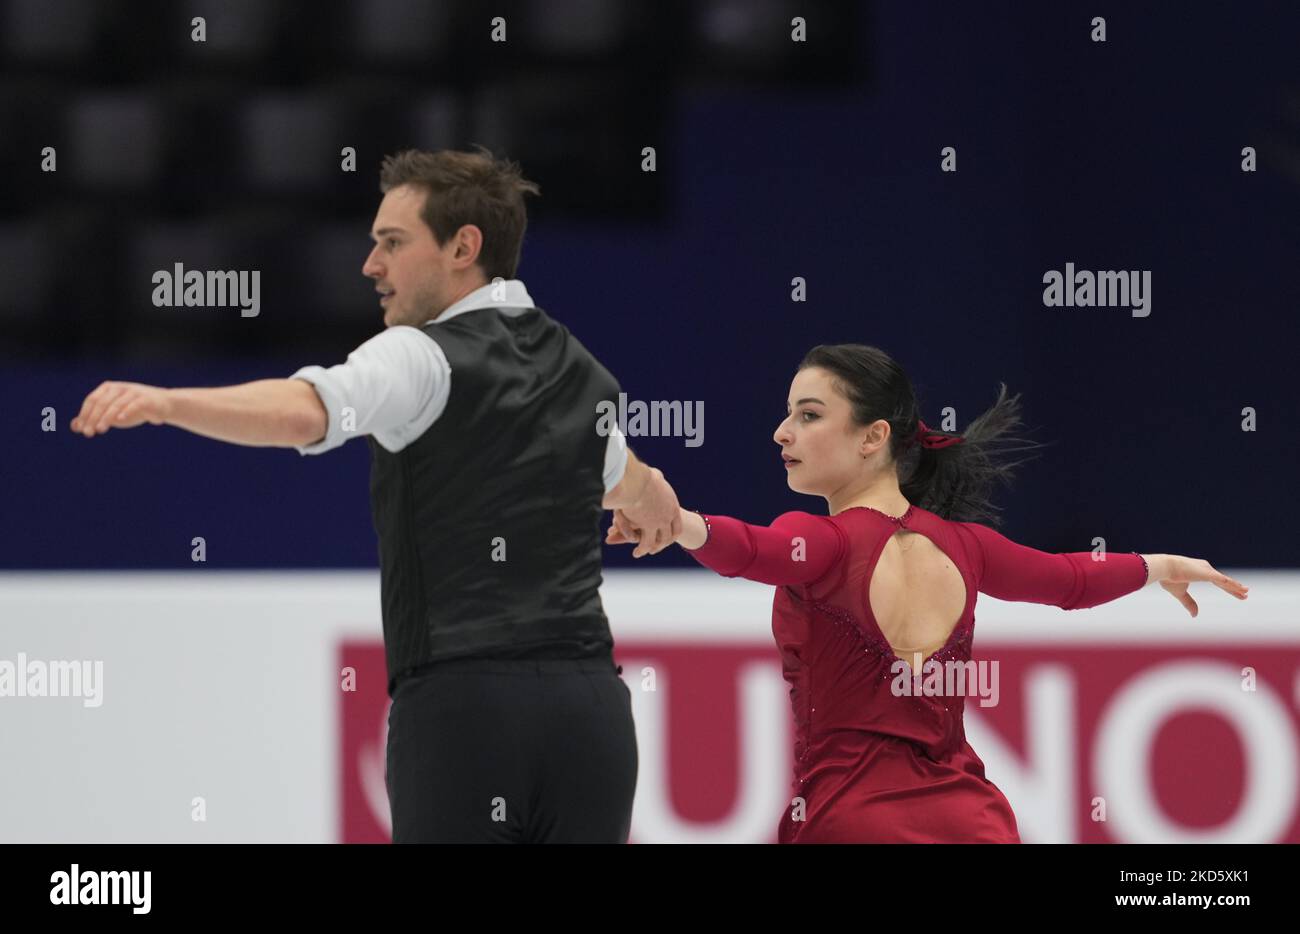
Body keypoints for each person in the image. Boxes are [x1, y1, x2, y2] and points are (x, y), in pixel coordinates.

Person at [69, 146, 683, 843]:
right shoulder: (584, 371)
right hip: (594, 717)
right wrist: (658, 501)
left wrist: (168, 402)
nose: (371, 266)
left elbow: (306, 410)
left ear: (463, 247)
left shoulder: (417, 356)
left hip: (465, 710)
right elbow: (627, 479)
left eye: (392, 243)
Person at [608, 343, 1249, 843]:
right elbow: (1071, 582)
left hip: (851, 820)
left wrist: (676, 522)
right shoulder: (967, 546)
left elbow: (749, 550)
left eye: (808, 415)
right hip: (973, 823)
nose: (782, 432)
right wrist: (1160, 564)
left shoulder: (823, 542)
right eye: (788, 414)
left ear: (873, 436)